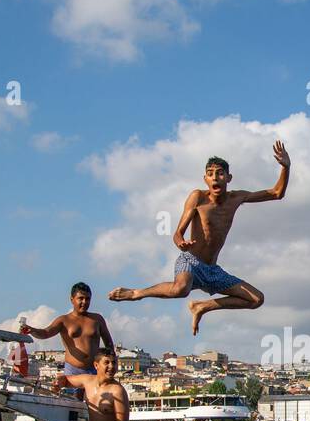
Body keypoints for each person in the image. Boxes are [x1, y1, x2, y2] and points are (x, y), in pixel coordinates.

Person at [108, 141, 290, 335]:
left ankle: (203, 306)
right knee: (180, 289)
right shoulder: (197, 198)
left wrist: (285, 167)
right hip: (191, 261)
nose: (215, 177)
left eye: (220, 173)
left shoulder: (236, 198)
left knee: (256, 299)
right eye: (210, 173)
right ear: (205, 179)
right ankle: (137, 293)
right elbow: (177, 233)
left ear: (228, 177)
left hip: (213, 270)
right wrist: (182, 244)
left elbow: (276, 193)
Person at [20, 282, 115, 390]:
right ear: (72, 299)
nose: (84, 302)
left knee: (95, 403)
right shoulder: (64, 320)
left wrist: (111, 364)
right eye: (81, 298)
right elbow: (46, 333)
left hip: (94, 369)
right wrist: (32, 330)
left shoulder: (97, 319)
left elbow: (109, 343)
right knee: (72, 402)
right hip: (73, 371)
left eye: (88, 299)